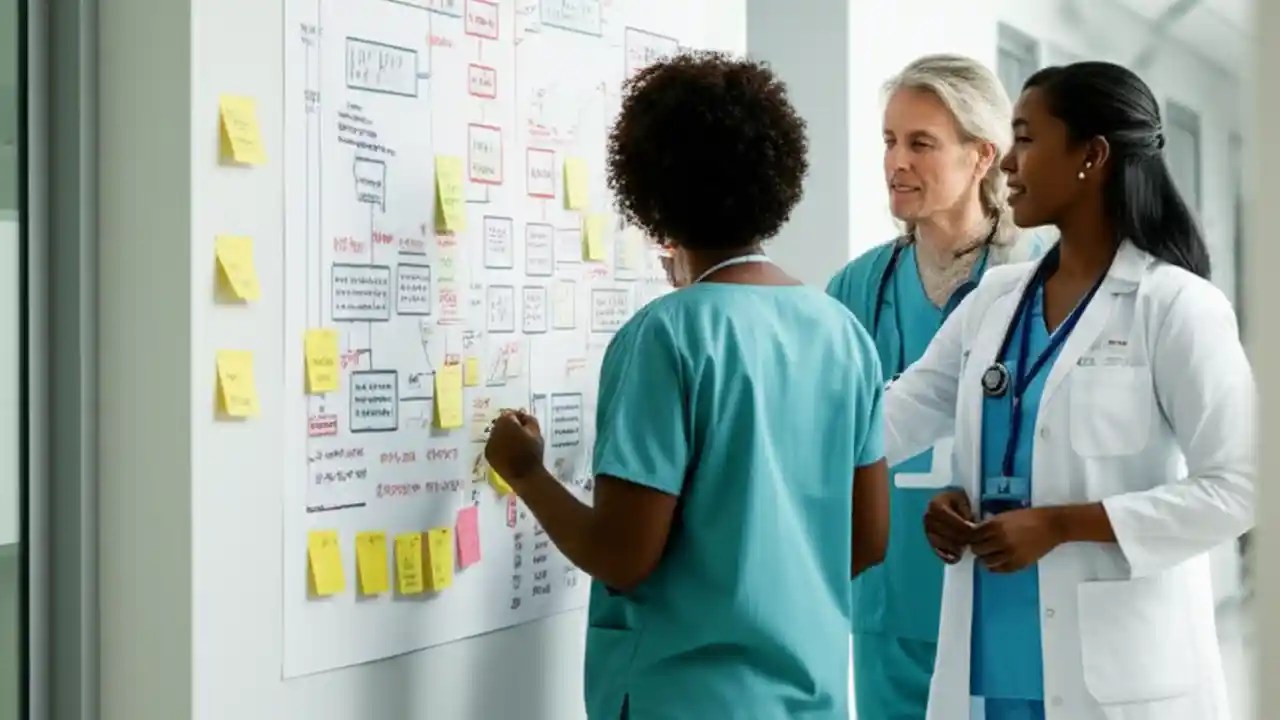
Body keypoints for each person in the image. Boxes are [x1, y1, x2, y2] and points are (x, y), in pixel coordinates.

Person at [484, 51, 890, 719]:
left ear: (649, 195)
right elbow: (868, 540)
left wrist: (526, 474)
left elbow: (622, 556)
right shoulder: (841, 330)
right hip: (808, 696)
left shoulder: (666, 335)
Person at [882, 61, 1255, 720]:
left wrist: (1062, 524)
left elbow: (1244, 485)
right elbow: (896, 417)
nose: (1008, 164)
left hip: (1118, 680)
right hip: (989, 663)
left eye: (1025, 138)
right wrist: (953, 499)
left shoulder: (1173, 306)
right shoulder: (994, 300)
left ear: (1093, 155)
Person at [825, 54, 1042, 720]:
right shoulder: (856, 287)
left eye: (921, 144)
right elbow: (827, 436)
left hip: (1004, 594)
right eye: (890, 141)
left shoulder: (1038, 281)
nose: (897, 162)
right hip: (888, 598)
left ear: (982, 156)